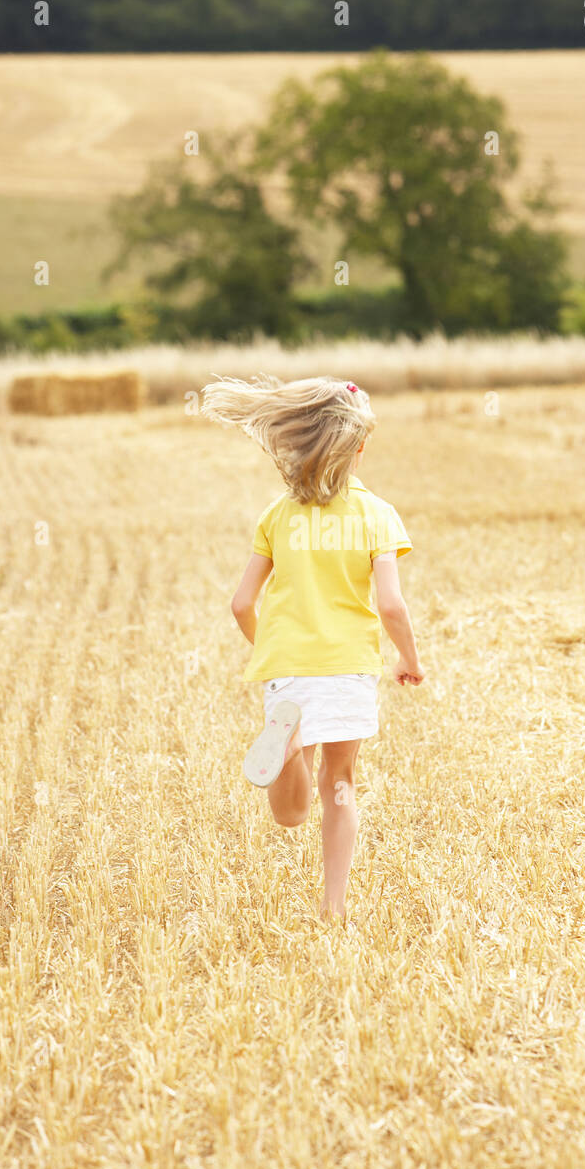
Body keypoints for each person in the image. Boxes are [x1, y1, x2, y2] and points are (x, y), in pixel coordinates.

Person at [201, 374, 423, 920]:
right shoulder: (376, 515)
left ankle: (288, 746)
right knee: (340, 785)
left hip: (287, 671)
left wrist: (268, 649)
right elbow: (392, 606)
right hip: (347, 667)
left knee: (288, 816)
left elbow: (239, 603)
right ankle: (334, 906)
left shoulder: (277, 516)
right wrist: (409, 661)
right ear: (360, 446)